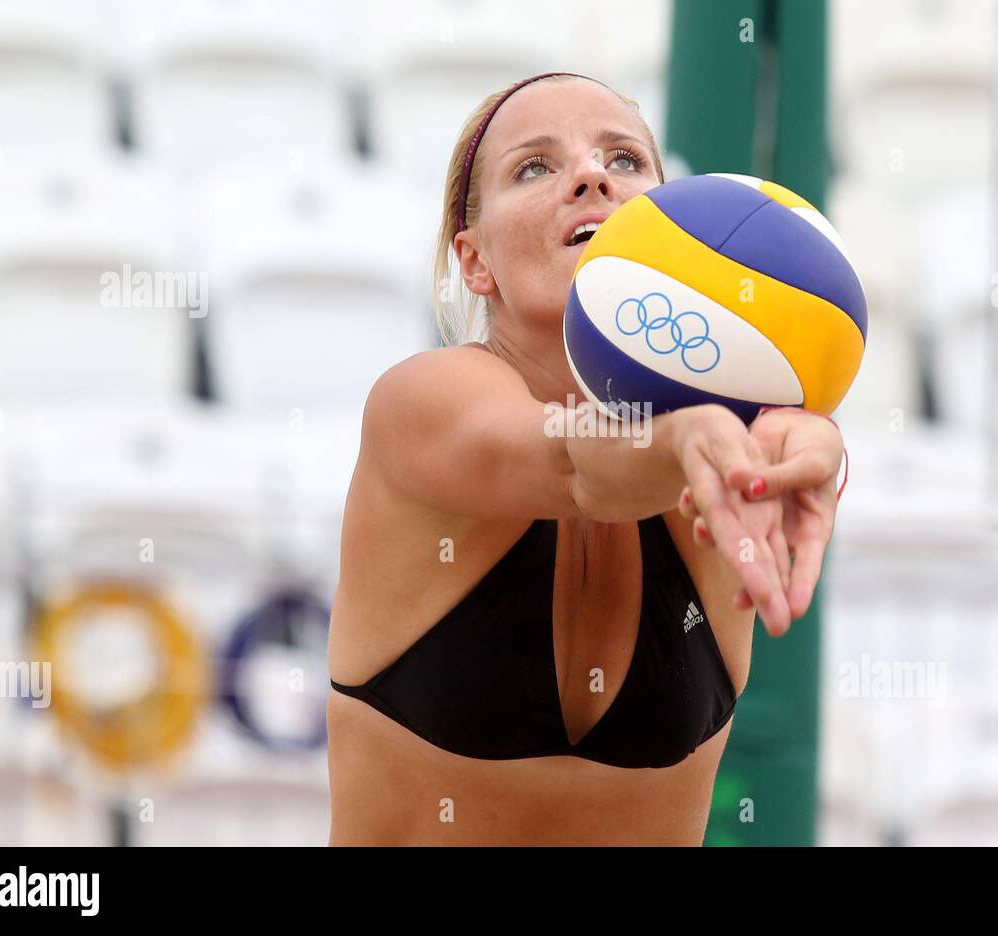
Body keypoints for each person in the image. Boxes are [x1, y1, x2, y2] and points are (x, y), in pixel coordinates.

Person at [326, 72, 844, 845]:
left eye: (626, 160)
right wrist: (691, 440)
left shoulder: (716, 439)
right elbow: (574, 466)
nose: (592, 176)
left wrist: (817, 448)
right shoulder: (423, 402)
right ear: (476, 262)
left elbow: (768, 440)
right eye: (535, 167)